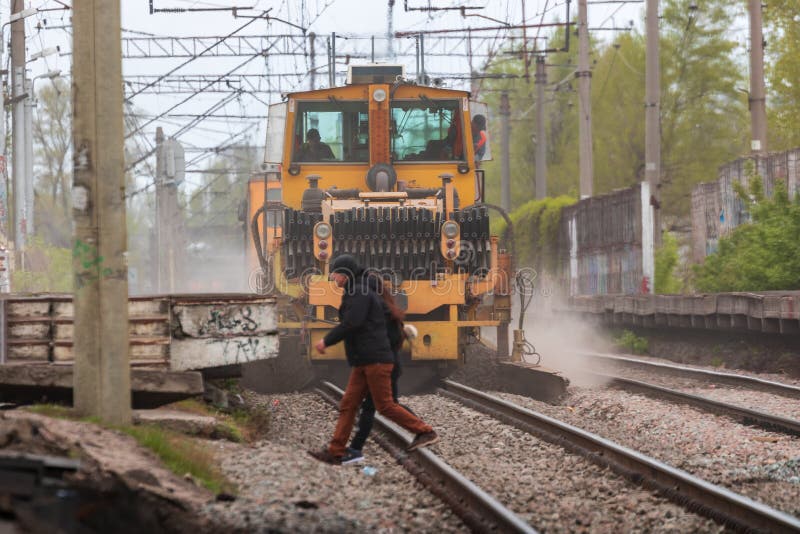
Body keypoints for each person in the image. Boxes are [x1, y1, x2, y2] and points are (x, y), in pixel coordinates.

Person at [308, 255, 439, 465]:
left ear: (345, 274)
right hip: (364, 360)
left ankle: (426, 431)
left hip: (376, 360)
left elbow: (352, 323)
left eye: (335, 273)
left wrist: (326, 341)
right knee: (348, 404)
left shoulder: (359, 292)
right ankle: (336, 451)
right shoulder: (358, 290)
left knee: (385, 406)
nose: (332, 277)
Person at [341, 275, 413, 465]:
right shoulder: (385, 308)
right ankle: (424, 431)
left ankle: (424, 430)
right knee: (388, 406)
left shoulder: (381, 312)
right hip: (386, 364)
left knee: (375, 408)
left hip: (383, 366)